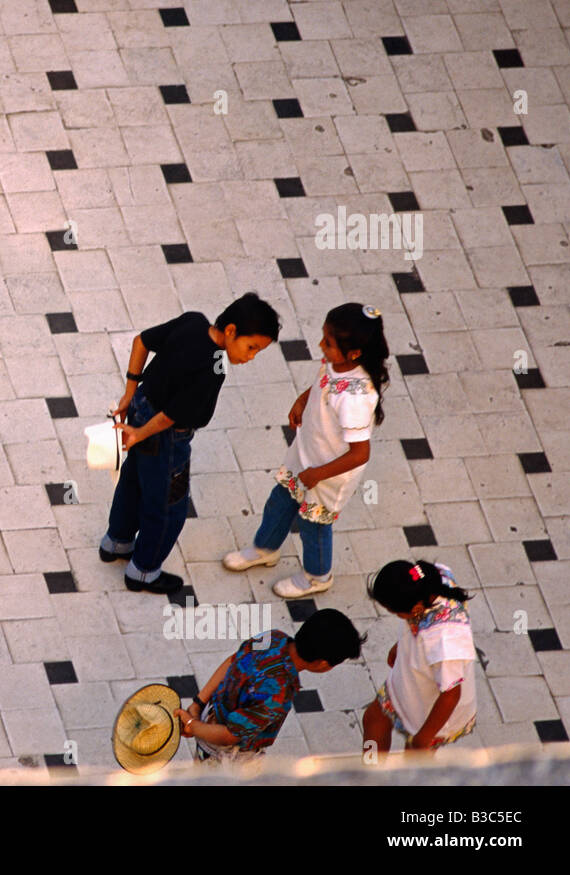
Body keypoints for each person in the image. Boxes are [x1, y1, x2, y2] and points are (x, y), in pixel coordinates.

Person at [101, 293, 281, 594]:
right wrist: (139, 434)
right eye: (252, 348)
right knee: (168, 507)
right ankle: (143, 572)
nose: (250, 357)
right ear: (232, 331)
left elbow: (141, 342)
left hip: (141, 407)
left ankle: (116, 543)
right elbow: (171, 416)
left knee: (132, 481)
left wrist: (130, 393)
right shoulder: (213, 367)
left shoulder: (193, 321)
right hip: (166, 438)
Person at [223, 303, 390, 599]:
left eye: (328, 342)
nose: (320, 346)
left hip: (327, 476)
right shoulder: (335, 363)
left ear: (354, 353)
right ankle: (265, 548)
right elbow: (319, 386)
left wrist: (318, 474)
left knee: (313, 527)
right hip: (305, 457)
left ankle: (317, 576)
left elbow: (360, 454)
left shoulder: (355, 398)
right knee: (279, 503)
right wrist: (302, 402)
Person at [173, 609, 365, 763]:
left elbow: (233, 661)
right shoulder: (277, 695)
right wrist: (192, 725)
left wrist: (198, 704)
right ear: (322, 663)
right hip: (226, 754)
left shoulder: (272, 638)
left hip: (211, 714)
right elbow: (229, 735)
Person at [363, 560, 477, 756]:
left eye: (395, 611)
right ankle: (372, 775)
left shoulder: (444, 640)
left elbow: (451, 695)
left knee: (414, 759)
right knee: (374, 720)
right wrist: (401, 645)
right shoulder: (430, 580)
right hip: (407, 685)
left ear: (415, 608)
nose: (396, 615)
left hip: (432, 715)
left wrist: (424, 737)